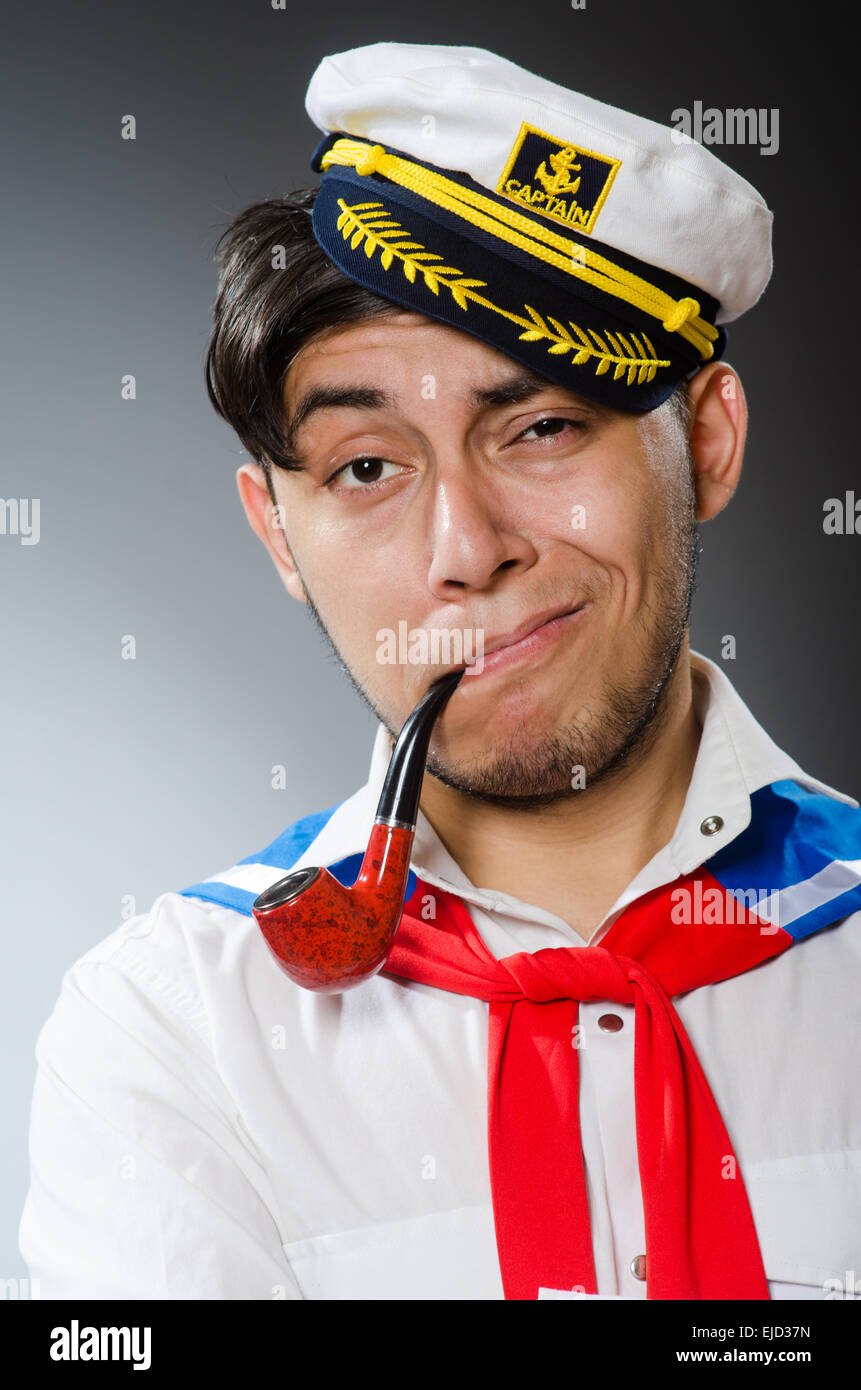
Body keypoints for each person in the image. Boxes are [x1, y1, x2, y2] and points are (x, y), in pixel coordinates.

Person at [19, 41, 861, 1302]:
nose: (467, 552)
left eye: (541, 427)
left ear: (709, 441)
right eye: (367, 467)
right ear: (278, 533)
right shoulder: (169, 1038)